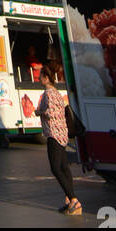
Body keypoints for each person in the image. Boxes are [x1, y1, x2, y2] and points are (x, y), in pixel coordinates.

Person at [36, 63, 81, 215]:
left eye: (40, 76)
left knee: (55, 168)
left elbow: (50, 112)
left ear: (46, 77)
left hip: (53, 134)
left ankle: (74, 199)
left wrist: (39, 112)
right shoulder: (57, 92)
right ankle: (69, 199)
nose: (38, 78)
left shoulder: (48, 93)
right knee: (64, 167)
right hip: (63, 133)